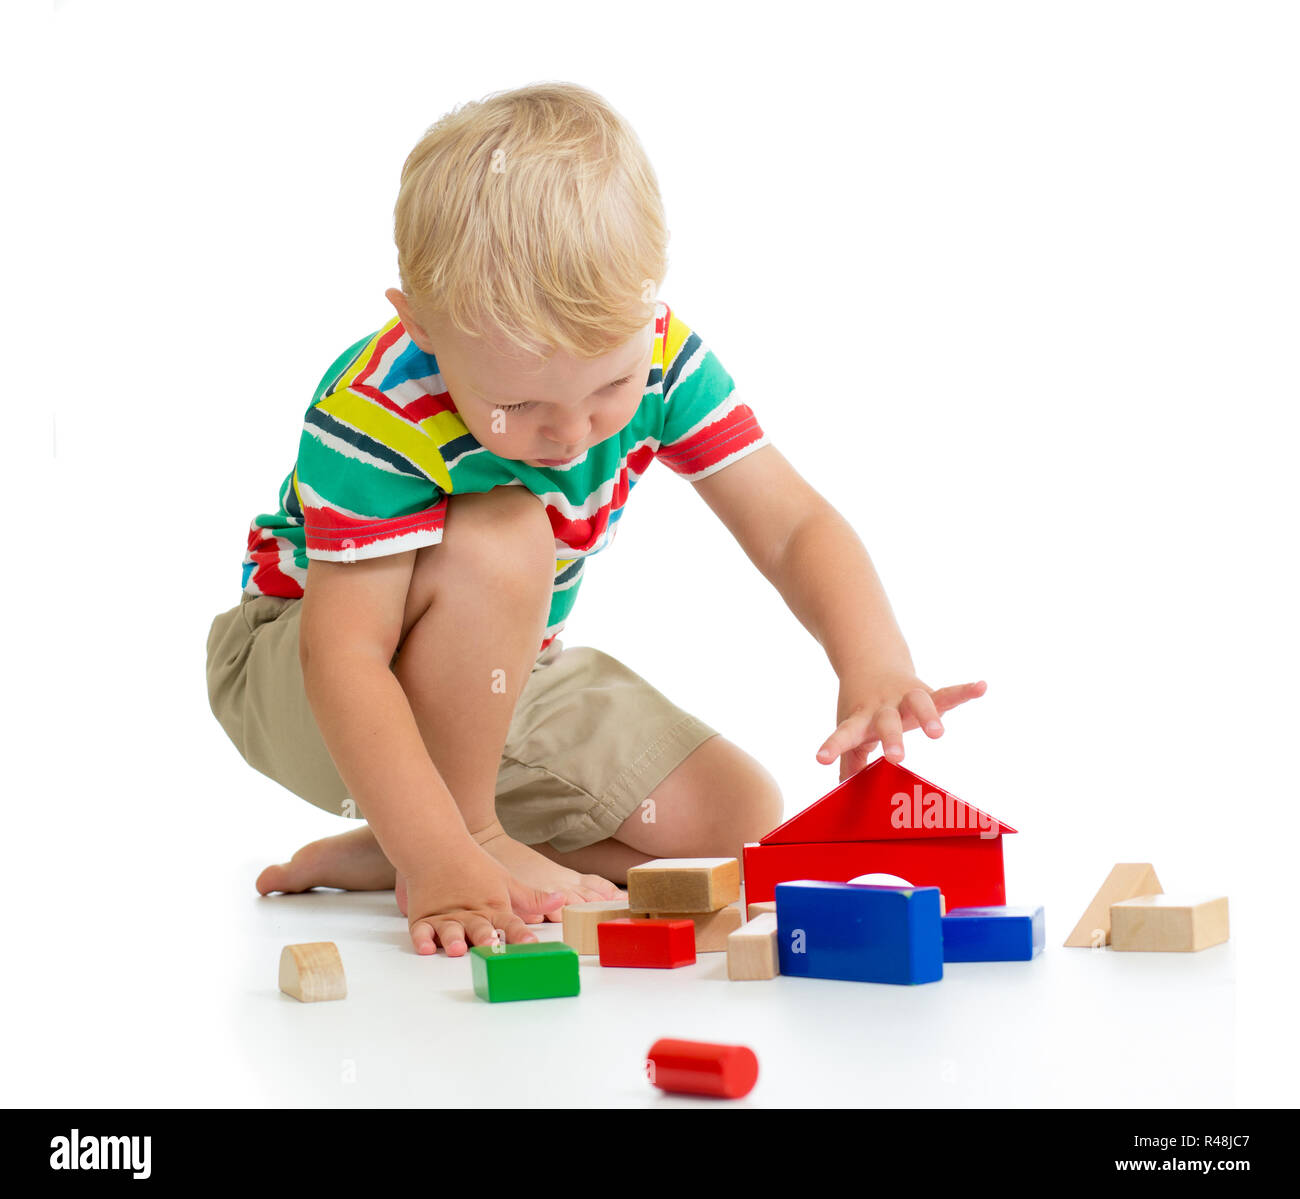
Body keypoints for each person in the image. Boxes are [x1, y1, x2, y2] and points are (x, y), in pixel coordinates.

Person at [205, 81, 986, 958]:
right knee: (505, 532)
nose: (572, 434)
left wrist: (873, 661)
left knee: (736, 818)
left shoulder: (658, 354)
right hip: (301, 669)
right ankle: (445, 837)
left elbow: (792, 525)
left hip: (491, 677)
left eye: (609, 389)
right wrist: (445, 848)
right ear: (420, 324)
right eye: (521, 402)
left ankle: (412, 839)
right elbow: (342, 658)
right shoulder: (377, 411)